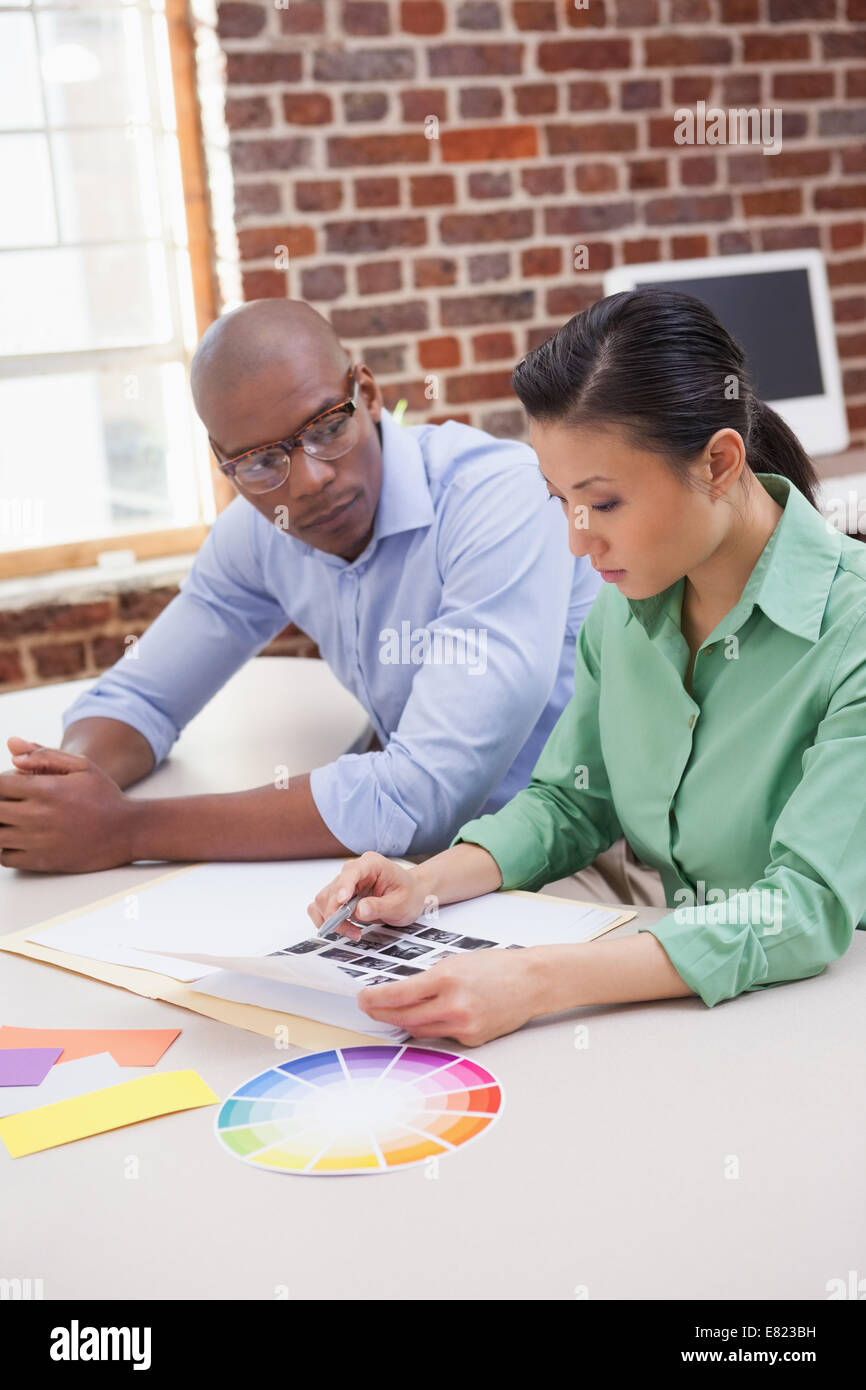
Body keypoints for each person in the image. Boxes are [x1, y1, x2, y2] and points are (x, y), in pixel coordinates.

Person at [308, 287, 866, 1046]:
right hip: (693, 1004)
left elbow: (800, 909)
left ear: (720, 463)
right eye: (561, 502)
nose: (578, 543)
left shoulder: (852, 630)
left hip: (825, 1017)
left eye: (603, 505)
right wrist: (425, 882)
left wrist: (538, 980)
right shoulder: (627, 608)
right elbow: (573, 803)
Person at [0, 299, 601, 872]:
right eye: (261, 463)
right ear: (224, 462)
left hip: (573, 855)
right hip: (425, 869)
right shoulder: (260, 534)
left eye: (325, 428)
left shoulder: (500, 499)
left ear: (366, 394)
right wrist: (58, 791)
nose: (308, 481)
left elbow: (421, 794)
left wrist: (124, 829)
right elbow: (142, 699)